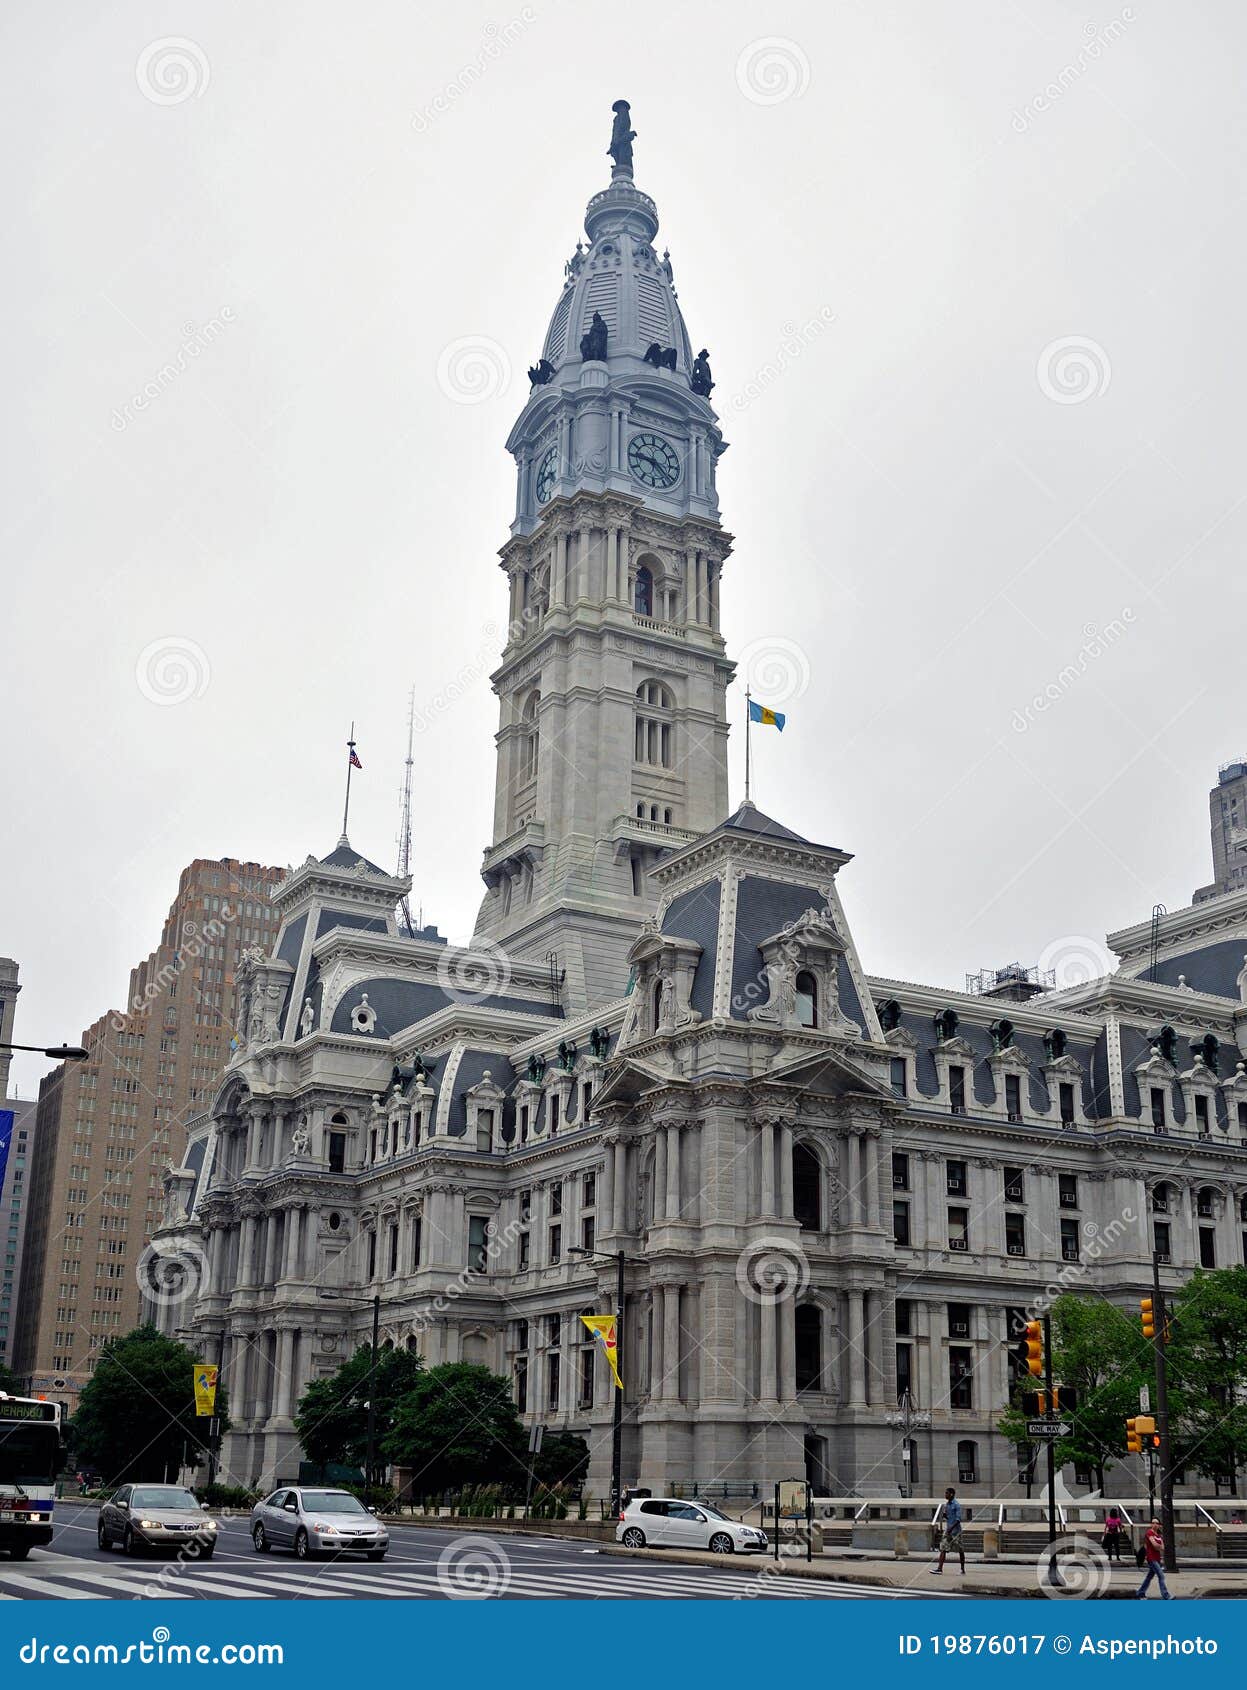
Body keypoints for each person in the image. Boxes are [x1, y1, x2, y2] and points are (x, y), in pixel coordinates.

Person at [929, 1487, 965, 1574]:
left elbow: (958, 1519)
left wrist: (951, 1528)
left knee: (960, 1550)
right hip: (948, 1530)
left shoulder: (956, 1505)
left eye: (947, 1493)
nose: (945, 1495)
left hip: (956, 1531)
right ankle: (939, 1569)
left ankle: (962, 1569)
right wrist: (945, 1516)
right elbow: (948, 1517)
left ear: (951, 1494)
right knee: (943, 1548)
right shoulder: (947, 1504)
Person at [1135, 1518, 1172, 1599]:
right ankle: (1166, 1595)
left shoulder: (1158, 1535)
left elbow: (1163, 1547)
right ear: (1151, 1524)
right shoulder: (1149, 1532)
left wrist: (1158, 1547)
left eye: (1157, 1523)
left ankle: (1140, 1592)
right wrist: (1158, 1546)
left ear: (1159, 1525)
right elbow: (1154, 1545)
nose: (1155, 1524)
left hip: (1157, 1558)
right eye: (1153, 1523)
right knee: (1161, 1576)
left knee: (1149, 1577)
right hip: (1151, 1558)